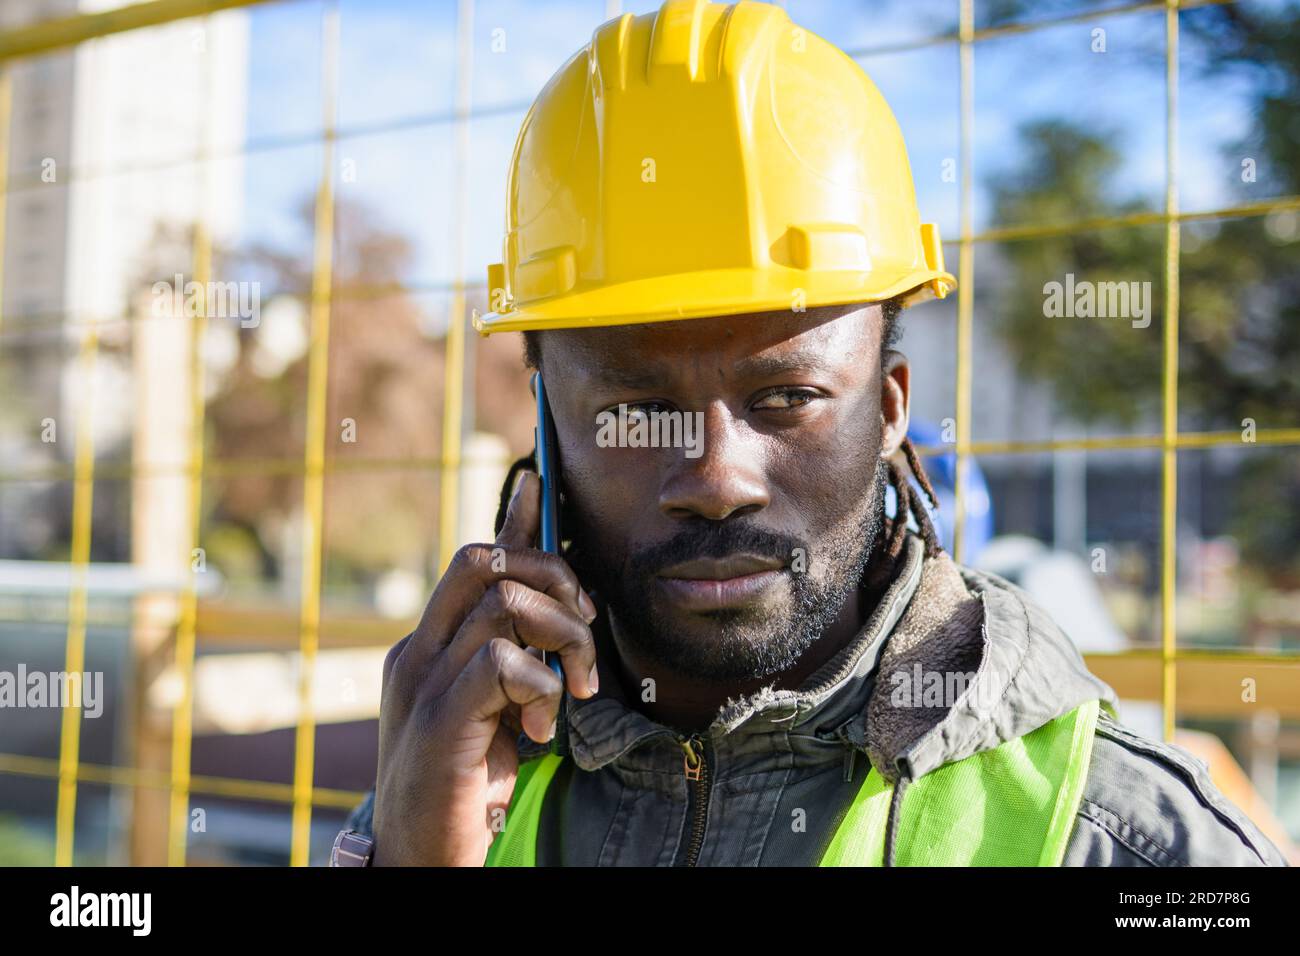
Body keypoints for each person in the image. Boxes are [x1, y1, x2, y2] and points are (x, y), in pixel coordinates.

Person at [331, 0, 1287, 867]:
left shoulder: (1128, 846)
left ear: (889, 408)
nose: (716, 478)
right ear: (546, 426)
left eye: (787, 397)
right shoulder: (446, 788)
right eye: (636, 410)